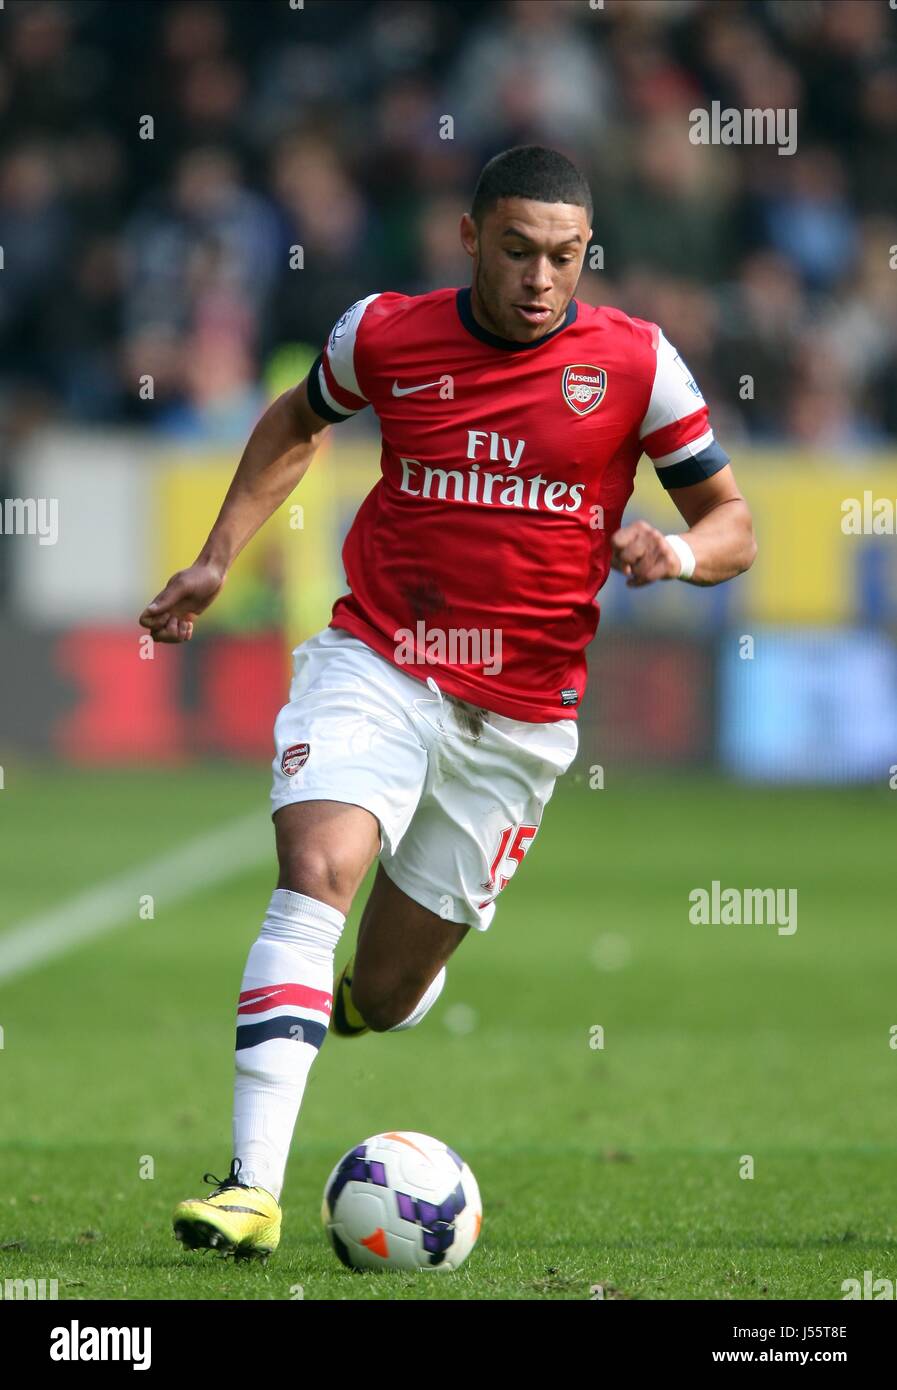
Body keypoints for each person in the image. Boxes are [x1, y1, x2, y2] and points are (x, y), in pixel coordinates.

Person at [139, 145, 756, 1260]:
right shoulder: (384, 332)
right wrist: (217, 556)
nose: (539, 279)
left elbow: (735, 523)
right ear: (469, 238)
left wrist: (677, 549)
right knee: (315, 870)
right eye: (517, 251)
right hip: (380, 656)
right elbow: (295, 420)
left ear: (587, 254)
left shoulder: (636, 363)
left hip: (519, 718)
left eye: (564, 257)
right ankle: (249, 1190)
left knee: (383, 982)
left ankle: (370, 1001)